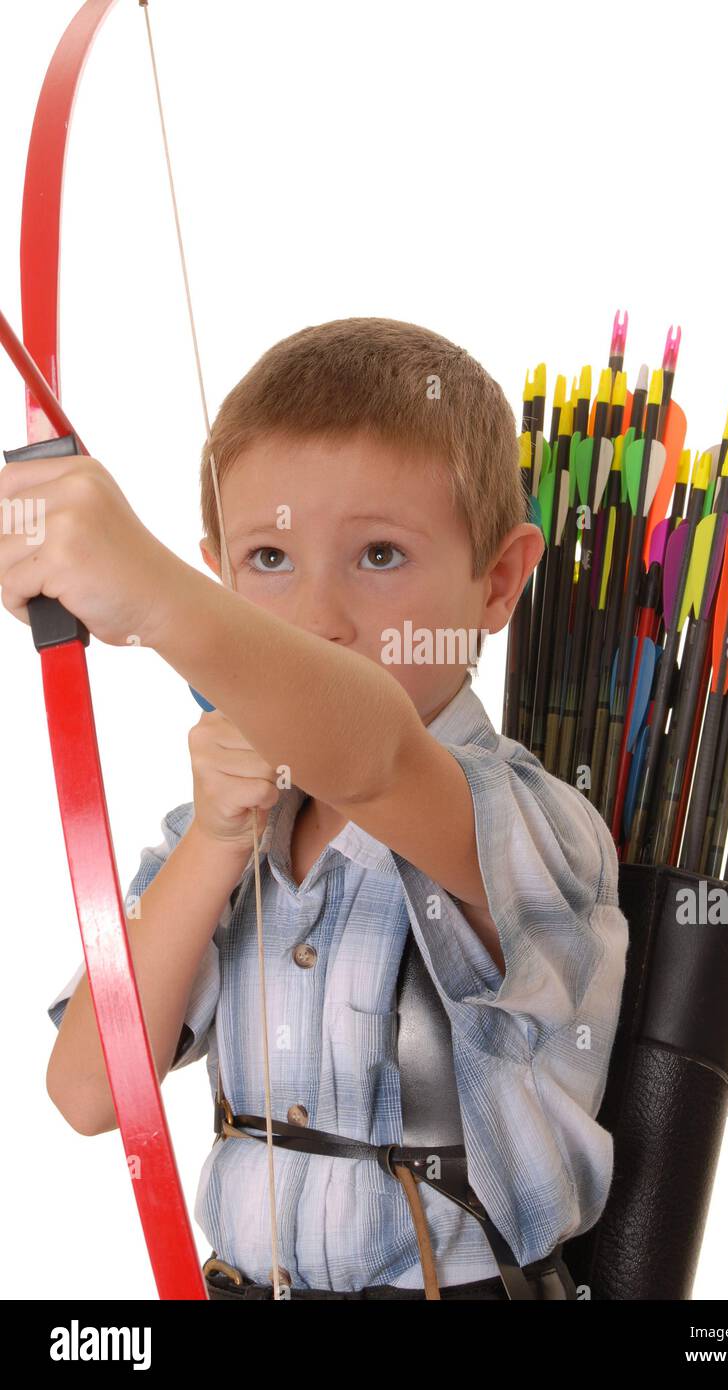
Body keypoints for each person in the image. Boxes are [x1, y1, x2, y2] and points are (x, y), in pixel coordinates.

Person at [7, 316, 628, 1298]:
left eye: (381, 555)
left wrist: (157, 599)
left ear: (498, 579)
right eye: (266, 559)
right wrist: (213, 845)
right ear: (219, 566)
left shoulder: (533, 822)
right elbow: (87, 1089)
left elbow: (370, 751)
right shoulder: (217, 827)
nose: (318, 618)